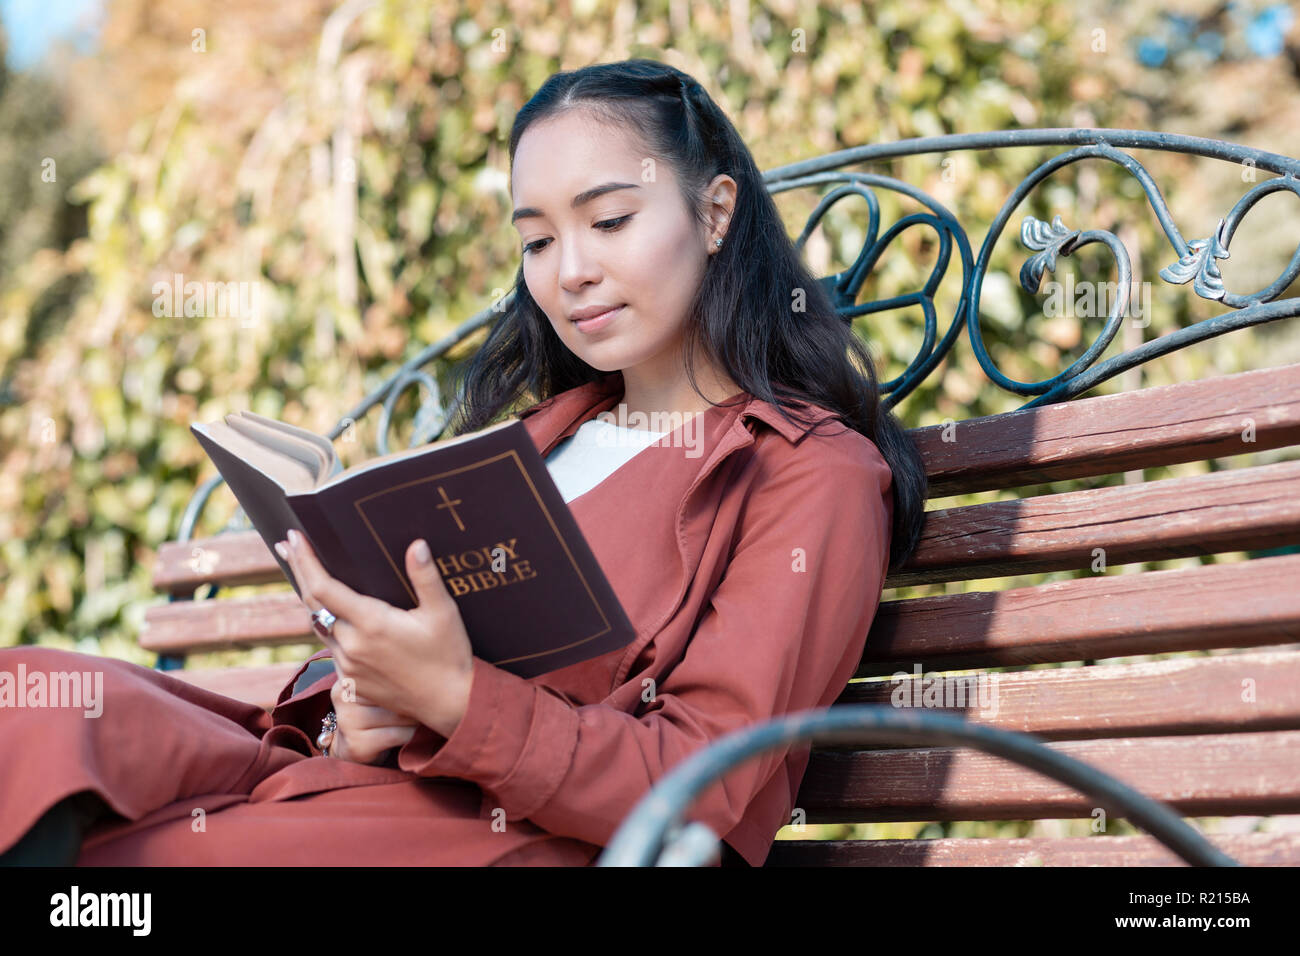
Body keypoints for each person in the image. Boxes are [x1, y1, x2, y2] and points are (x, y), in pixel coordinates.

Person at [0, 58, 926, 867]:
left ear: (716, 211)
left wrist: (456, 698)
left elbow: (704, 784)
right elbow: (383, 696)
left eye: (608, 220)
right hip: (374, 789)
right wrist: (364, 710)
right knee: (31, 700)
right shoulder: (538, 443)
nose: (570, 271)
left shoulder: (810, 475)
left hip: (542, 842)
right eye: (536, 240)